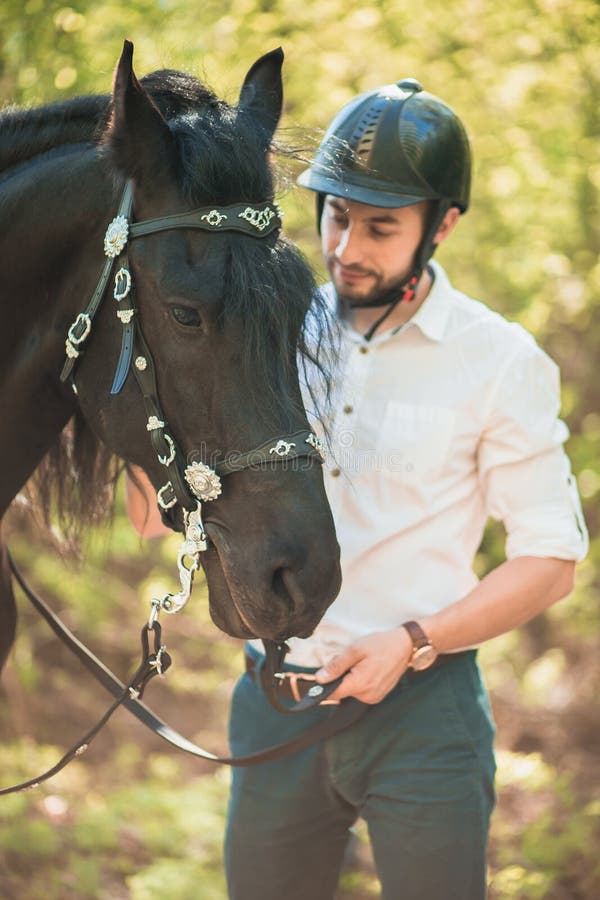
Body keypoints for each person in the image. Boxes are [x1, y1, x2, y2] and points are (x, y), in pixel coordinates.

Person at [128, 79, 588, 900]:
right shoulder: (269, 325)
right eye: (337, 217)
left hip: (426, 714)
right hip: (275, 703)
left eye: (380, 227)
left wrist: (414, 640)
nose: (346, 248)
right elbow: (156, 513)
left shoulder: (500, 359)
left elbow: (552, 561)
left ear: (441, 225)